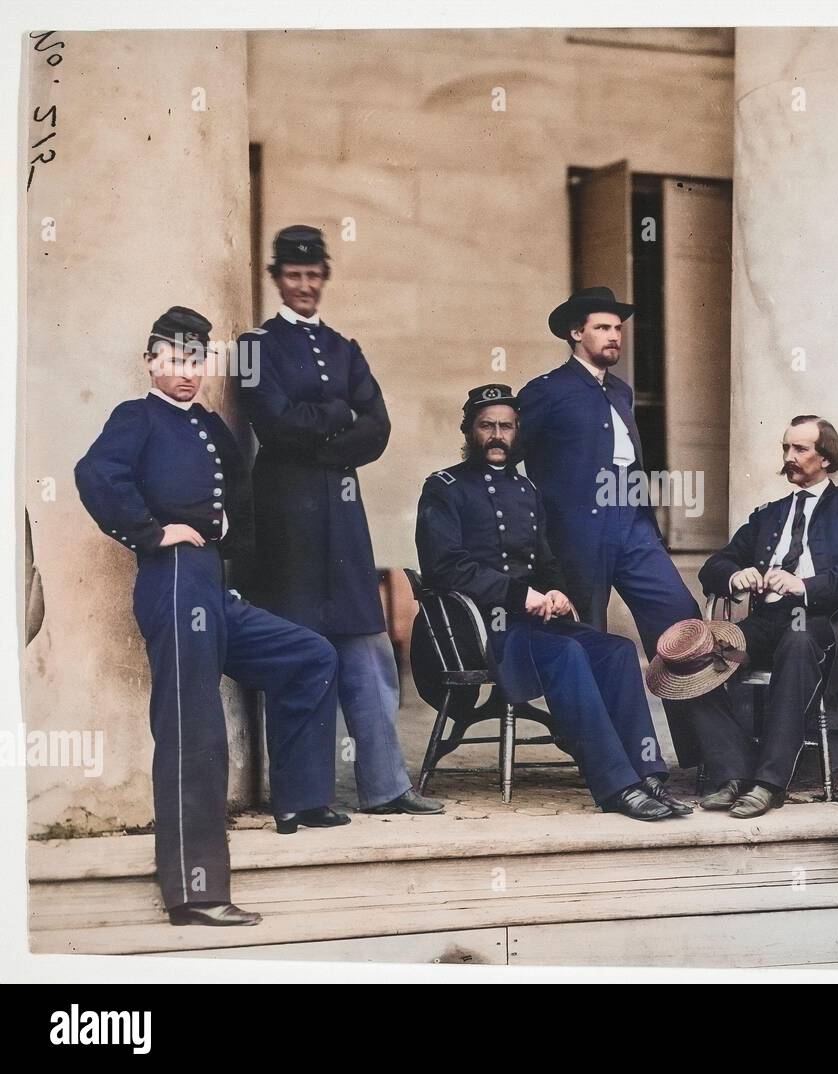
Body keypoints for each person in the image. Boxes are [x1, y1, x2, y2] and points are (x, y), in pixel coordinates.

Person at [75, 306, 346, 928]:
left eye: (197, 360)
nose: (187, 372)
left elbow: (242, 504)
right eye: (174, 359)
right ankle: (195, 893)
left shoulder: (212, 426)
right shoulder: (135, 417)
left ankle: (299, 801)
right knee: (193, 729)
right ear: (150, 361)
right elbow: (96, 474)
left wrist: (233, 566)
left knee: (310, 656)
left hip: (214, 586)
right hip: (172, 582)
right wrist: (150, 531)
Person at [415, 384, 693, 821]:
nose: (497, 435)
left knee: (617, 652)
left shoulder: (527, 491)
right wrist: (519, 594)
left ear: (517, 432)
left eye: (506, 427)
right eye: (486, 425)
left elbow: (546, 562)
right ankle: (617, 786)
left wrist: (558, 591)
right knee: (567, 652)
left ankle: (648, 774)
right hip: (483, 630)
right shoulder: (445, 488)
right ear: (468, 430)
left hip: (534, 624)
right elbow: (444, 566)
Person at [238, 226, 441, 816]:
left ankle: (387, 786)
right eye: (294, 276)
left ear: (324, 279)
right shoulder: (255, 346)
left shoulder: (345, 347)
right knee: (303, 654)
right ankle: (307, 797)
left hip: (344, 523)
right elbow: (271, 424)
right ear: (277, 278)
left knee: (369, 653)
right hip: (286, 525)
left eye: (314, 276)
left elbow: (376, 426)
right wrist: (336, 416)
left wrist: (322, 438)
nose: (304, 286)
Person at [666, 415, 838, 818]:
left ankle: (769, 782)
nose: (789, 457)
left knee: (799, 640)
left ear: (826, 458)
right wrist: (736, 574)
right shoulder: (768, 515)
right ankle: (733, 770)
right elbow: (714, 566)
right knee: (687, 660)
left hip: (815, 620)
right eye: (786, 448)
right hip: (763, 622)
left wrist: (804, 584)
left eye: (800, 449)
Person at [516, 287, 702, 768]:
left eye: (618, 327)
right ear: (576, 334)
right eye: (602, 327)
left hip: (633, 524)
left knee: (681, 621)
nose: (614, 335)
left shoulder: (621, 390)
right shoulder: (546, 390)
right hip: (575, 533)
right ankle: (609, 762)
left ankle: (703, 758)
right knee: (590, 638)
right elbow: (507, 457)